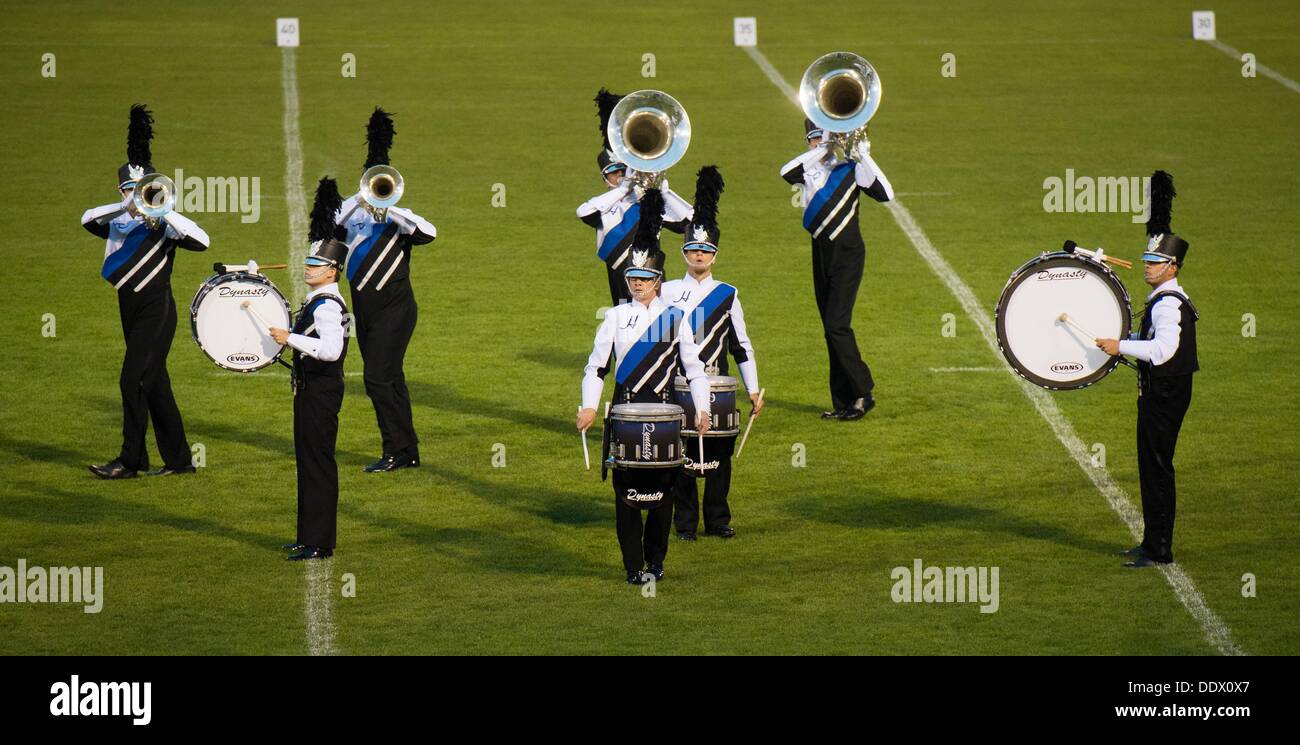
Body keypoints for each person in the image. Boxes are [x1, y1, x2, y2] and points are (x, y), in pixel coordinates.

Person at [576, 189, 712, 585]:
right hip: (625, 412)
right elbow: (595, 367)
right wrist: (588, 406)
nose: (636, 283)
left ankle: (657, 561)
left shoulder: (676, 318)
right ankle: (633, 566)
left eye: (644, 278)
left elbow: (695, 369)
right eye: (632, 277)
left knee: (663, 494)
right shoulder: (615, 317)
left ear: (657, 280)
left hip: (667, 413)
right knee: (627, 495)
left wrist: (701, 409)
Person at [80, 104, 209, 479]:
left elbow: (202, 239)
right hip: (128, 305)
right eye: (128, 189)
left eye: (141, 189)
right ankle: (180, 460)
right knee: (154, 381)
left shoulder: (165, 223)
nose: (136, 195)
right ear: (121, 190)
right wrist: (127, 205)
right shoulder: (116, 219)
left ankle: (131, 461)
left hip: (157, 308)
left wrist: (162, 210)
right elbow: (87, 218)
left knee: (133, 379)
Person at [1096, 171, 1198, 568]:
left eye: (1156, 261)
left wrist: (1117, 345)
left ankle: (1159, 549)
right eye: (1148, 259)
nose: (1148, 265)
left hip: (1166, 393)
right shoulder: (1164, 294)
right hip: (1162, 391)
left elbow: (1164, 349)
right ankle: (1152, 542)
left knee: (1157, 468)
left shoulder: (1170, 303)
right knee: (1151, 466)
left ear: (1173, 267)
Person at [661, 165, 762, 540]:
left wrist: (752, 388)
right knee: (681, 455)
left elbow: (741, 344)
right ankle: (684, 523)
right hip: (677, 385)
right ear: (684, 252)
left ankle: (717, 520)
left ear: (714, 255)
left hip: (717, 385)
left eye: (705, 250)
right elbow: (657, 342)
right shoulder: (667, 291)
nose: (699, 254)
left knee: (719, 455)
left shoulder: (728, 293)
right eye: (693, 248)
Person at [333, 108, 436, 473]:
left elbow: (428, 233)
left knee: (377, 377)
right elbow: (327, 236)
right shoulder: (350, 212)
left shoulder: (401, 215)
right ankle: (408, 451)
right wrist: (357, 204)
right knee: (391, 379)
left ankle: (394, 450)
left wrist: (388, 208)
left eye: (380, 184)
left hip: (397, 307)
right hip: (365, 308)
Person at [780, 119, 893, 420]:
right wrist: (826, 146)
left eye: (823, 138)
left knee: (836, 325)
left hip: (848, 254)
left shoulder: (851, 170)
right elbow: (785, 172)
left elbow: (886, 193)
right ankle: (844, 401)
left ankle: (863, 393)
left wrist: (863, 154)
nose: (818, 144)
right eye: (814, 139)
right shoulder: (809, 172)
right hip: (820, 253)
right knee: (829, 330)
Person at [272, 178, 351, 561]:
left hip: (321, 393)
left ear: (333, 270)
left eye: (316, 263)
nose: (308, 267)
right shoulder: (317, 300)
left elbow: (332, 350)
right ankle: (307, 537)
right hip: (309, 390)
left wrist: (290, 339)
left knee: (318, 463)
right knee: (306, 462)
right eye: (308, 261)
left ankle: (320, 542)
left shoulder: (328, 306)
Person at [577, 89, 692, 305]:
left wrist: (664, 192)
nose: (620, 175)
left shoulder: (648, 201)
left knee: (660, 335)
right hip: (621, 282)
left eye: (623, 169)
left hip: (653, 278)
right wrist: (623, 190)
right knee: (624, 334)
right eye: (613, 172)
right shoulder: (603, 207)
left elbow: (688, 222)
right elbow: (584, 212)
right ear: (604, 177)